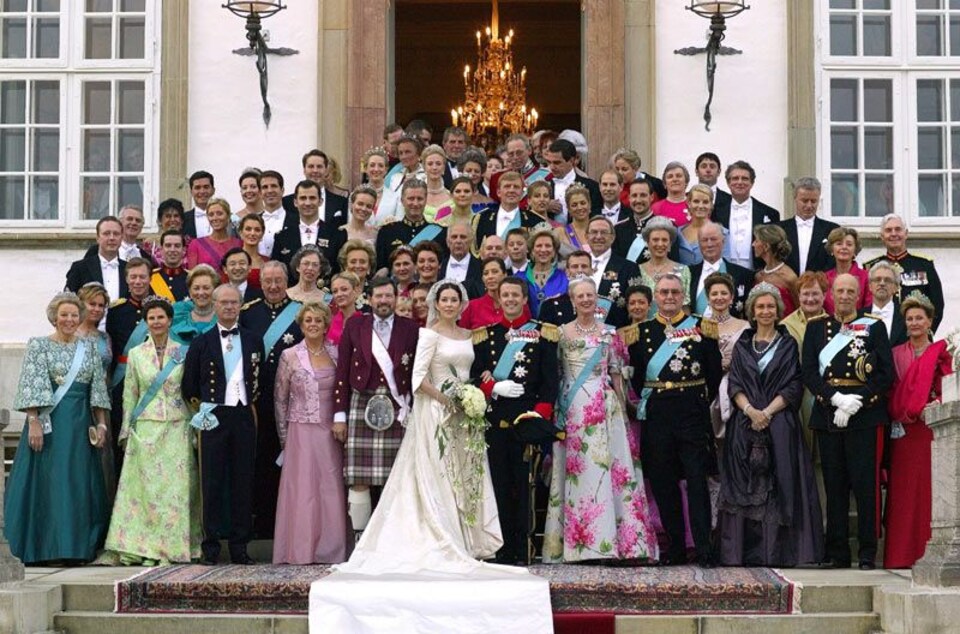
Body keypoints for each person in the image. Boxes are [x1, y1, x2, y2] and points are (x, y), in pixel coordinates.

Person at [315, 280, 552, 634]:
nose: (450, 304)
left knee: (462, 477)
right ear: (436, 303)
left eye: (455, 299)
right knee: (438, 475)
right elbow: (417, 379)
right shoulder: (428, 335)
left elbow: (470, 371)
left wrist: (479, 386)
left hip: (464, 417)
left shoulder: (470, 334)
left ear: (461, 303)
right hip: (438, 413)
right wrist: (449, 400)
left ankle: (467, 540)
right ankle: (443, 537)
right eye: (444, 299)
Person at [543, 276, 659, 563]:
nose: (585, 300)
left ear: (597, 299)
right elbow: (554, 375)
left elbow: (617, 374)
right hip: (572, 408)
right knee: (578, 473)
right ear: (572, 300)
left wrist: (621, 411)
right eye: (580, 296)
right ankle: (576, 546)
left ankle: (617, 543)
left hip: (604, 408)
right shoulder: (561, 333)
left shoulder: (610, 333)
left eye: (590, 295)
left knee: (609, 472)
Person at [719, 283, 824, 566]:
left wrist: (768, 411)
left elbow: (793, 384)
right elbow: (735, 383)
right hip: (745, 424)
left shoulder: (788, 343)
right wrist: (752, 411)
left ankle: (779, 552)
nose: (765, 312)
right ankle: (746, 553)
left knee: (782, 485)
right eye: (760, 307)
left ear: (778, 311)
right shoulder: (742, 345)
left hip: (780, 425)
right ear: (752, 311)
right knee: (745, 487)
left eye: (770, 307)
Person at [5, 293, 110, 564]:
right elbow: (33, 384)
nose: (69, 320)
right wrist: (33, 422)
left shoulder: (88, 348)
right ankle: (45, 548)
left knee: (76, 483)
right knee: (51, 484)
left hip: (79, 426)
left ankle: (76, 548)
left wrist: (101, 423)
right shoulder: (39, 345)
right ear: (54, 317)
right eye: (64, 315)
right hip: (49, 425)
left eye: (74, 315)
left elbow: (97, 388)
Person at [626, 274, 722, 566]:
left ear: (684, 296)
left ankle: (704, 548)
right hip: (657, 414)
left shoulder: (702, 328)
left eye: (675, 292)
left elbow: (714, 372)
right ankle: (676, 547)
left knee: (696, 482)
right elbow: (639, 375)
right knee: (663, 482)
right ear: (655, 297)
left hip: (691, 412)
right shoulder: (639, 332)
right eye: (664, 292)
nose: (669, 297)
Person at [802, 273, 893, 570]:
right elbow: (809, 373)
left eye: (849, 291)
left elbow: (885, 374)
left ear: (858, 294)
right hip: (830, 414)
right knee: (835, 485)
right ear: (831, 294)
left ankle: (867, 552)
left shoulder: (874, 327)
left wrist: (857, 402)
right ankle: (837, 552)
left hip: (864, 415)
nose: (844, 295)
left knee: (865, 486)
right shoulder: (816, 328)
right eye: (839, 290)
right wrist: (836, 399)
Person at [100, 296, 201, 565]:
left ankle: (171, 548)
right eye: (151, 318)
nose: (156, 322)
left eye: (161, 317)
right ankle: (143, 548)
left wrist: (196, 428)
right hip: (145, 427)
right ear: (146, 322)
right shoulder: (135, 354)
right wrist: (124, 430)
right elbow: (129, 394)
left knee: (175, 491)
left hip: (177, 426)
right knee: (144, 491)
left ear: (170, 320)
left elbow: (191, 391)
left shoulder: (183, 351)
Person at [471, 277, 559, 564]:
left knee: (525, 485)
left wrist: (538, 417)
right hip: (496, 420)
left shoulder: (543, 334)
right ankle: (502, 546)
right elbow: (473, 374)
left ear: (524, 299)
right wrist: (491, 387)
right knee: (498, 482)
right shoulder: (485, 335)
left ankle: (524, 547)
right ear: (499, 300)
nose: (509, 300)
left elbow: (549, 381)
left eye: (515, 295)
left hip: (527, 419)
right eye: (504, 295)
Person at [182, 284, 264, 565]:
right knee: (212, 482)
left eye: (234, 302)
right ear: (215, 305)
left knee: (243, 481)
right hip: (213, 417)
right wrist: (204, 410)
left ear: (241, 305)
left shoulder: (254, 339)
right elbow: (189, 385)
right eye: (224, 302)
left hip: (243, 417)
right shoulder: (201, 343)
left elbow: (259, 378)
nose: (229, 307)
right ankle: (211, 546)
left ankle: (240, 546)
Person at [333, 277, 420, 535]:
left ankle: (394, 538)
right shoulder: (355, 325)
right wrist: (339, 414)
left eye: (388, 296)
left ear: (396, 298)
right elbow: (342, 371)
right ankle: (361, 539)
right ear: (369, 298)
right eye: (378, 296)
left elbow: (417, 371)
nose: (383, 301)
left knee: (400, 479)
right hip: (362, 400)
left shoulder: (411, 328)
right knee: (358, 478)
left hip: (398, 405)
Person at [273, 301, 349, 564]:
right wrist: (284, 439)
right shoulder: (289, 356)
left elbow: (345, 392)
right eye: (308, 321)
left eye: (318, 320)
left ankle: (332, 549)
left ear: (327, 324)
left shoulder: (338, 353)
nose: (313, 324)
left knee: (330, 488)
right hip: (300, 431)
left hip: (331, 431)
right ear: (301, 325)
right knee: (303, 490)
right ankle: (300, 550)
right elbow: (280, 399)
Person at [884, 293, 952, 569]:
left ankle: (924, 552)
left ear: (929, 320)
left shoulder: (941, 352)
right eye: (909, 318)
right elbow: (890, 387)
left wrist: (933, 404)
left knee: (925, 491)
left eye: (919, 318)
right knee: (902, 493)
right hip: (902, 432)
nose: (914, 323)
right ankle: (900, 555)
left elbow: (949, 385)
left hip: (927, 430)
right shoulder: (895, 353)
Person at [239, 261, 305, 539]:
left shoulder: (300, 312)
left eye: (279, 280)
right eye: (268, 281)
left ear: (287, 281)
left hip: (293, 399)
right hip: (257, 398)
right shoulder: (249, 313)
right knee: (260, 459)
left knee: (290, 459)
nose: (274, 286)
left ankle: (290, 520)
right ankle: (262, 521)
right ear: (261, 283)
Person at [864, 213, 945, 333]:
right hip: (882, 333)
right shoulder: (871, 267)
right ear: (882, 236)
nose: (893, 234)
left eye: (898, 229)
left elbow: (937, 304)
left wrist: (927, 333)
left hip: (914, 334)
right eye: (888, 230)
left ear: (906, 234)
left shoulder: (924, 265)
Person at [704, 273, 750, 441]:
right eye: (714, 294)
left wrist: (733, 364)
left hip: (738, 387)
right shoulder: (700, 327)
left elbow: (751, 359)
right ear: (708, 299)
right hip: (709, 388)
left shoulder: (745, 326)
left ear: (731, 298)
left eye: (724, 293)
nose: (719, 298)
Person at [713, 160, 780, 269]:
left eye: (745, 178)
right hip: (723, 269)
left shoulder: (769, 213)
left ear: (752, 183)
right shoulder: (716, 211)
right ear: (728, 183)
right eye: (735, 178)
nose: (740, 182)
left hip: (757, 271)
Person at [375, 179, 444, 271]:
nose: (415, 203)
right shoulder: (387, 232)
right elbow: (381, 267)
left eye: (419, 199)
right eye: (411, 199)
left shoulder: (439, 232)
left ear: (426, 200)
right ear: (402, 200)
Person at [777, 177, 840, 274]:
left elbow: (833, 263)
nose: (809, 205)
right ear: (795, 199)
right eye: (804, 201)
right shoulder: (779, 229)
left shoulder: (832, 229)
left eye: (813, 201)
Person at [272, 179, 336, 272]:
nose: (307, 203)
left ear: (320, 201)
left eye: (312, 198)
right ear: (295, 202)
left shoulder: (336, 234)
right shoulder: (282, 237)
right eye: (303, 198)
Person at [473, 171, 541, 251]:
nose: (511, 190)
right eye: (507, 186)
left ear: (522, 193)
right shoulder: (481, 219)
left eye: (516, 187)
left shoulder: (535, 221)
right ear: (498, 192)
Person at [281, 150, 349, 229]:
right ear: (304, 170)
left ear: (326, 170)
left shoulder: (341, 202)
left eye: (319, 166)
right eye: (311, 166)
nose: (315, 170)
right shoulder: (287, 202)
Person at [638, 217, 691, 318]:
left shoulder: (683, 270)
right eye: (655, 240)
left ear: (670, 244)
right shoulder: (636, 270)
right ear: (647, 243)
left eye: (664, 240)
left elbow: (685, 308)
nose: (660, 244)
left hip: (674, 330)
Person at [65, 216, 128, 301]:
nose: (112, 238)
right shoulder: (80, 268)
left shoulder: (128, 268)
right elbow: (68, 300)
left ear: (121, 238)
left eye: (116, 234)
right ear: (97, 238)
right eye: (106, 233)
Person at [544, 138, 601, 223]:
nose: (552, 167)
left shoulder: (592, 187)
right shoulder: (543, 185)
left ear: (571, 161)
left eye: (557, 163)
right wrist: (544, 206)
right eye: (549, 162)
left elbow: (595, 217)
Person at [677, 184, 730, 266]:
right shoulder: (678, 232)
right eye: (696, 201)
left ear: (711, 205)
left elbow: (726, 265)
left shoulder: (723, 233)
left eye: (705, 202)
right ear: (689, 203)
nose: (700, 206)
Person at [823, 227, 871, 315]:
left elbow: (869, 308)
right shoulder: (824, 278)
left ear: (855, 250)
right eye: (839, 244)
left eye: (849, 244)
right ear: (832, 249)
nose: (844, 247)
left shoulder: (866, 277)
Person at [753, 224, 798, 316]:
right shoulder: (758, 276)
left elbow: (799, 308)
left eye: (756, 241)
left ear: (766, 246)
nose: (753, 244)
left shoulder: (789, 277)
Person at [185, 198, 242, 270]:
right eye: (211, 215)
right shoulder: (196, 245)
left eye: (219, 214)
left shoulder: (239, 244)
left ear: (228, 216)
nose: (215, 218)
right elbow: (192, 275)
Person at [170, 264, 220, 345]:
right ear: (190, 292)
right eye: (196, 288)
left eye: (206, 288)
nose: (200, 293)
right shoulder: (177, 316)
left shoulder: (224, 317)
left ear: (215, 290)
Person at [524, 226, 568, 317]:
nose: (543, 250)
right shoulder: (519, 278)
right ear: (532, 251)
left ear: (554, 252)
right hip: (527, 330)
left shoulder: (565, 278)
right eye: (539, 246)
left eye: (548, 246)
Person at [459, 257, 511, 330]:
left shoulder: (516, 304)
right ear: (483, 279)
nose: (490, 277)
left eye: (495, 272)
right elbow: (462, 336)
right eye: (486, 273)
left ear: (505, 275)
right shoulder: (470, 307)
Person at [259, 170, 299, 258]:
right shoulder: (253, 221)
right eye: (265, 187)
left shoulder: (297, 221)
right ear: (260, 193)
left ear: (282, 190)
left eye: (274, 186)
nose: (269, 191)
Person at [439, 221, 483, 298]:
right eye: (454, 237)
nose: (458, 241)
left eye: (463, 237)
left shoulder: (481, 267)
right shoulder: (439, 266)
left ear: (471, 241)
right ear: (447, 241)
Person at [332, 187, 379, 259]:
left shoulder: (376, 233)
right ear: (351, 205)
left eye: (368, 206)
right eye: (360, 204)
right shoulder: (339, 231)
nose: (363, 209)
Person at [867, 261, 906, 347]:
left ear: (896, 287)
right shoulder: (859, 316)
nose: (882, 283)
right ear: (870, 286)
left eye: (887, 280)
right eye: (877, 279)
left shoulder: (905, 316)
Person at [143, 198, 189, 267]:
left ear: (182, 220)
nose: (172, 220)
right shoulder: (150, 244)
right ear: (160, 221)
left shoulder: (191, 244)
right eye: (168, 216)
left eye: (176, 216)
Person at [326, 272, 364, 353]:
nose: (339, 294)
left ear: (356, 291)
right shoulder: (328, 322)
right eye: (335, 291)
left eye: (344, 289)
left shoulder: (365, 322)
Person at [150, 230, 189, 301]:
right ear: (161, 250)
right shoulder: (150, 277)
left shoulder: (191, 278)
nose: (172, 249)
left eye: (177, 246)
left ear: (184, 250)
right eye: (168, 246)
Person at [555, 184, 594, 256]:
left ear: (590, 205)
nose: (579, 207)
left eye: (583, 203)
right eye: (574, 205)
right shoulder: (560, 233)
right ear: (568, 209)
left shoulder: (600, 230)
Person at [651, 161, 692, 227]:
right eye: (670, 177)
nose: (674, 179)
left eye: (679, 176)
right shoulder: (655, 208)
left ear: (686, 182)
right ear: (664, 184)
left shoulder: (695, 206)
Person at [237, 214, 269, 288]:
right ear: (241, 233)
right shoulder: (231, 259)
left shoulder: (267, 262)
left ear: (262, 234)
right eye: (248, 229)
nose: (252, 233)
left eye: (257, 230)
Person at [422, 145, 452, 222]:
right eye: (430, 164)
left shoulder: (453, 198)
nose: (434, 167)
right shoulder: (416, 197)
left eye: (438, 164)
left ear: (444, 168)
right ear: (424, 168)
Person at [183, 170, 216, 238]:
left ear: (213, 190)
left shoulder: (226, 218)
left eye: (206, 187)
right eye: (197, 188)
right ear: (191, 192)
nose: (202, 191)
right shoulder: (183, 219)